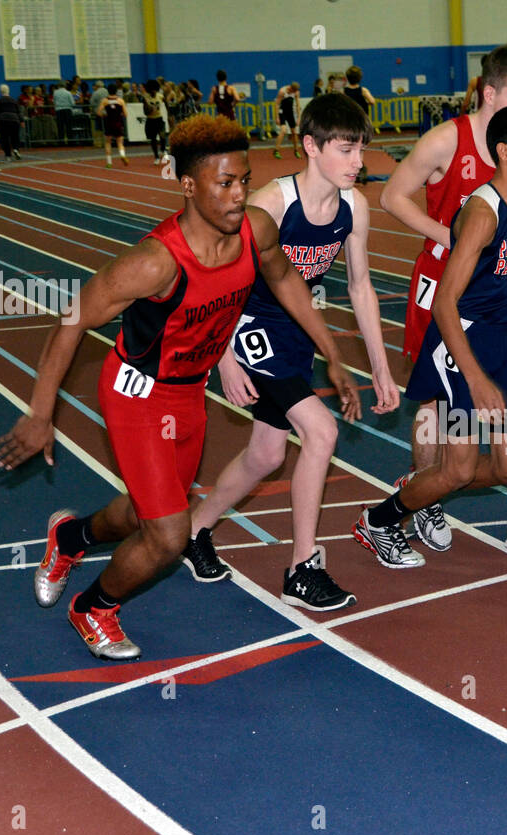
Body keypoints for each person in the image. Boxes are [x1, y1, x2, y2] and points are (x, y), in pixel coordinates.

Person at [0, 116, 359, 659]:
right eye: (224, 183)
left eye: (243, 179)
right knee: (169, 535)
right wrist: (41, 414)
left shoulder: (256, 229)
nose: (238, 195)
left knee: (148, 512)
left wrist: (332, 355)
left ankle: (69, 538)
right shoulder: (154, 262)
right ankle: (94, 607)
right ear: (188, 185)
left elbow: (285, 280)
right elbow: (71, 321)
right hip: (137, 391)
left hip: (190, 393)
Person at [354, 106, 507, 567]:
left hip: (503, 343)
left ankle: (426, 484)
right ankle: (380, 520)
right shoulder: (483, 213)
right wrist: (475, 378)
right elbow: (445, 303)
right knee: (462, 468)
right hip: (460, 345)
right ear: (504, 152)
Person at [182, 95, 393, 607]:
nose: (358, 162)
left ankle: (190, 532)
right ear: (311, 148)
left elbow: (361, 287)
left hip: (296, 333)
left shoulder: (353, 207)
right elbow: (213, 278)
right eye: (346, 150)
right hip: (246, 325)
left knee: (266, 453)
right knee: (321, 431)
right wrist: (223, 357)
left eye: (361, 150)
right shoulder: (274, 204)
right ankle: (302, 568)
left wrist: (382, 369)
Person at [380, 43, 507, 557]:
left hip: (502, 294)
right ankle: (426, 494)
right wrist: (448, 236)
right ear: (489, 94)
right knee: (438, 405)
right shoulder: (448, 139)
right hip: (446, 290)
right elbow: (390, 196)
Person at [97, 83, 129, 167]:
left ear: (108, 91)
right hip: (118, 123)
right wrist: (120, 114)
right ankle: (122, 155)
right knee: (120, 142)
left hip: (109, 123)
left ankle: (109, 162)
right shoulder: (120, 100)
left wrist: (105, 115)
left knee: (108, 142)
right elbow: (126, 114)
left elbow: (99, 112)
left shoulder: (105, 101)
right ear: (116, 91)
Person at [273, 82, 302, 159]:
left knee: (294, 132)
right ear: (290, 88)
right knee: (283, 131)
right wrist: (277, 117)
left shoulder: (296, 92)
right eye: (293, 91)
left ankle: (296, 150)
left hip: (290, 113)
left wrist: (299, 118)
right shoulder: (282, 91)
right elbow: (277, 104)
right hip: (282, 112)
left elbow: (298, 105)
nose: (294, 93)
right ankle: (276, 150)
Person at [142, 78, 167, 164]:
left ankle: (163, 149)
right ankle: (156, 157)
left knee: (162, 135)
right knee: (153, 139)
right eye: (152, 90)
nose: (154, 92)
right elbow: (145, 112)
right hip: (150, 120)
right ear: (149, 90)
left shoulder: (160, 96)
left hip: (159, 118)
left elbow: (166, 102)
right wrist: (149, 108)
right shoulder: (145, 97)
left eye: (155, 90)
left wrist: (168, 111)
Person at [53, 79, 75, 144]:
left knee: (60, 127)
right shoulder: (68, 93)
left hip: (59, 110)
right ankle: (70, 141)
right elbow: (72, 103)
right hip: (67, 110)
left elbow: (54, 102)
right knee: (69, 126)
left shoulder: (55, 92)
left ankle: (61, 142)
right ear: (65, 86)